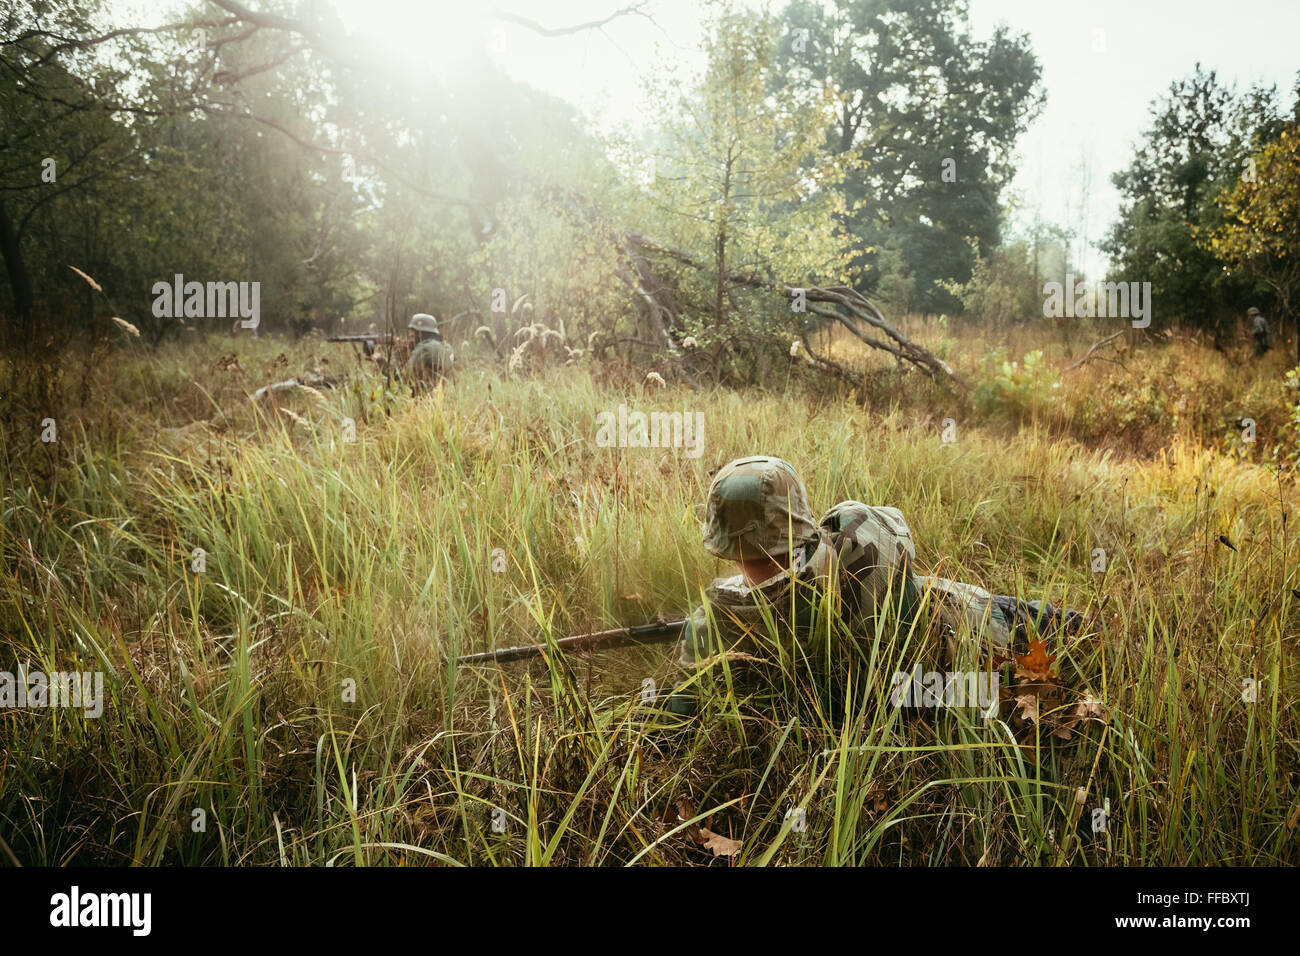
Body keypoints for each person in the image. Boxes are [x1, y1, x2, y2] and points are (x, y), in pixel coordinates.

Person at [668, 456, 1088, 714]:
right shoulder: (850, 556)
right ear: (797, 522)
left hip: (941, 667)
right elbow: (887, 527)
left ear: (723, 542)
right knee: (1069, 628)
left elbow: (675, 716)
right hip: (969, 629)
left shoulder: (709, 628)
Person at [404, 313, 454, 390]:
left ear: (420, 333)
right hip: (447, 395)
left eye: (413, 333)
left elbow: (405, 376)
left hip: (426, 397)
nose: (410, 336)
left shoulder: (423, 348)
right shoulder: (447, 347)